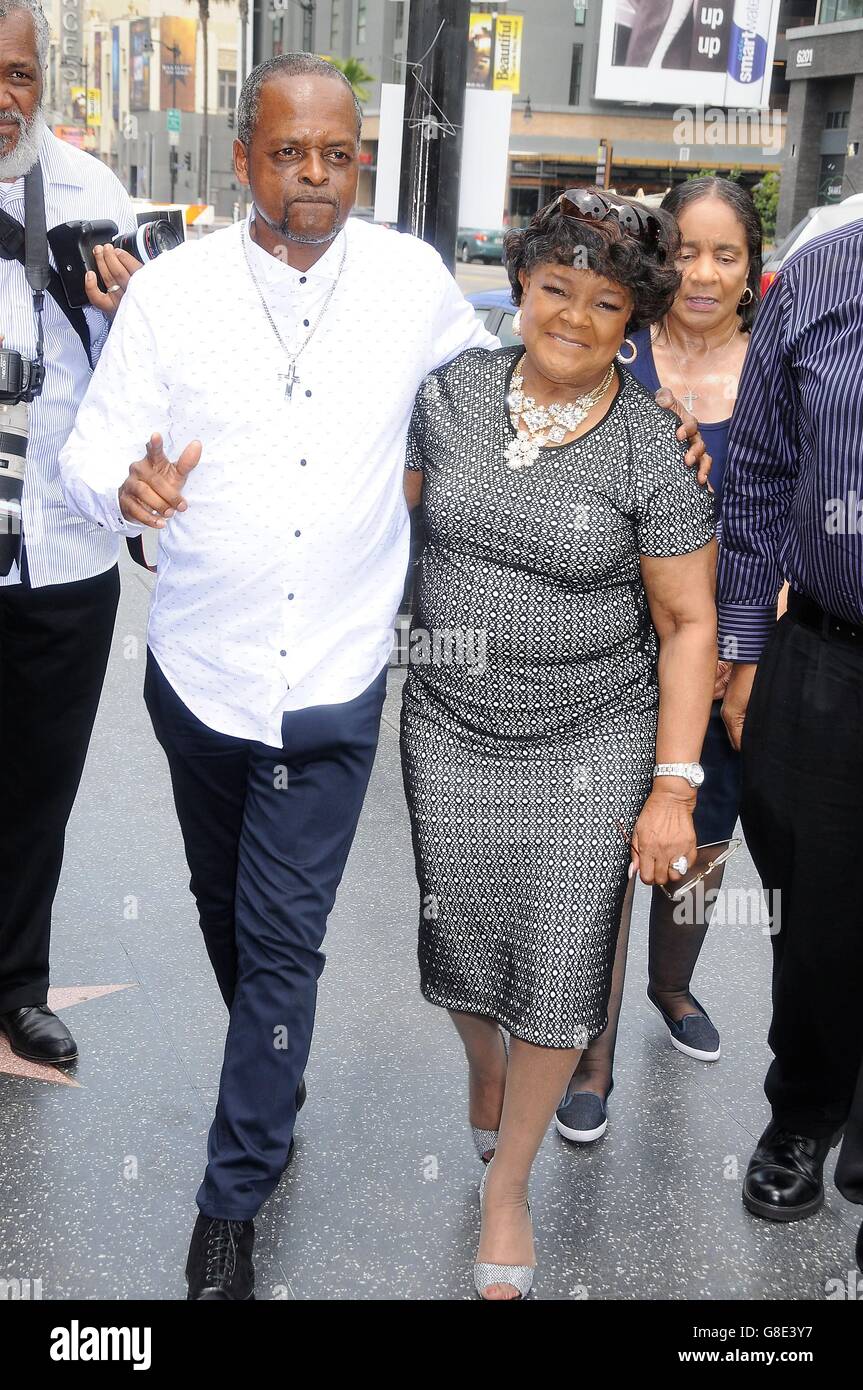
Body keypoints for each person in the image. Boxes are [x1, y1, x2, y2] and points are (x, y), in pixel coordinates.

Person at [58, 52, 501, 1302]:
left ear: (360, 156)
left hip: (336, 678)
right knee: (229, 923)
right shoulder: (175, 295)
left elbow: (504, 397)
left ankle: (227, 1204)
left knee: (283, 943)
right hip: (199, 672)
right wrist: (122, 487)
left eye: (337, 154)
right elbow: (96, 447)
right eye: (288, 154)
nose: (314, 178)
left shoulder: (411, 280)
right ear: (241, 160)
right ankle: (273, 1065)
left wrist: (643, 418)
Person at [400, 188, 718, 1299]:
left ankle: (509, 1182)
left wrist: (671, 790)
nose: (574, 319)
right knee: (464, 942)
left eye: (604, 303)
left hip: (591, 733)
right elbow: (375, 528)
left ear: (632, 321)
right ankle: (482, 1070)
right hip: (444, 722)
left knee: (562, 951)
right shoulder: (445, 399)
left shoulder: (649, 448)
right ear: (519, 288)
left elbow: (686, 625)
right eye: (554, 290)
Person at [557, 177, 761, 1143]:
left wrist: (741, 642)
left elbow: (791, 511)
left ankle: (671, 990)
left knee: (697, 835)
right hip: (605, 647)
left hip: (725, 649)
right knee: (600, 849)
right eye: (682, 250)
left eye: (725, 254)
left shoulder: (774, 369)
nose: (701, 273)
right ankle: (587, 1051)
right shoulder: (613, 348)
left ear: (751, 267)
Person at [718, 219, 863, 1264]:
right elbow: (760, 471)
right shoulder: (821, 272)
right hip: (827, 656)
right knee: (814, 916)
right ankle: (802, 1113)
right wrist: (740, 643)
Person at [0, 0, 140, 1067]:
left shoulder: (94, 192)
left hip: (63, 549)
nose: (6, 99)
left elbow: (145, 375)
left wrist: (117, 306)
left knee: (37, 789)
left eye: (18, 76)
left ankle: (17, 984)